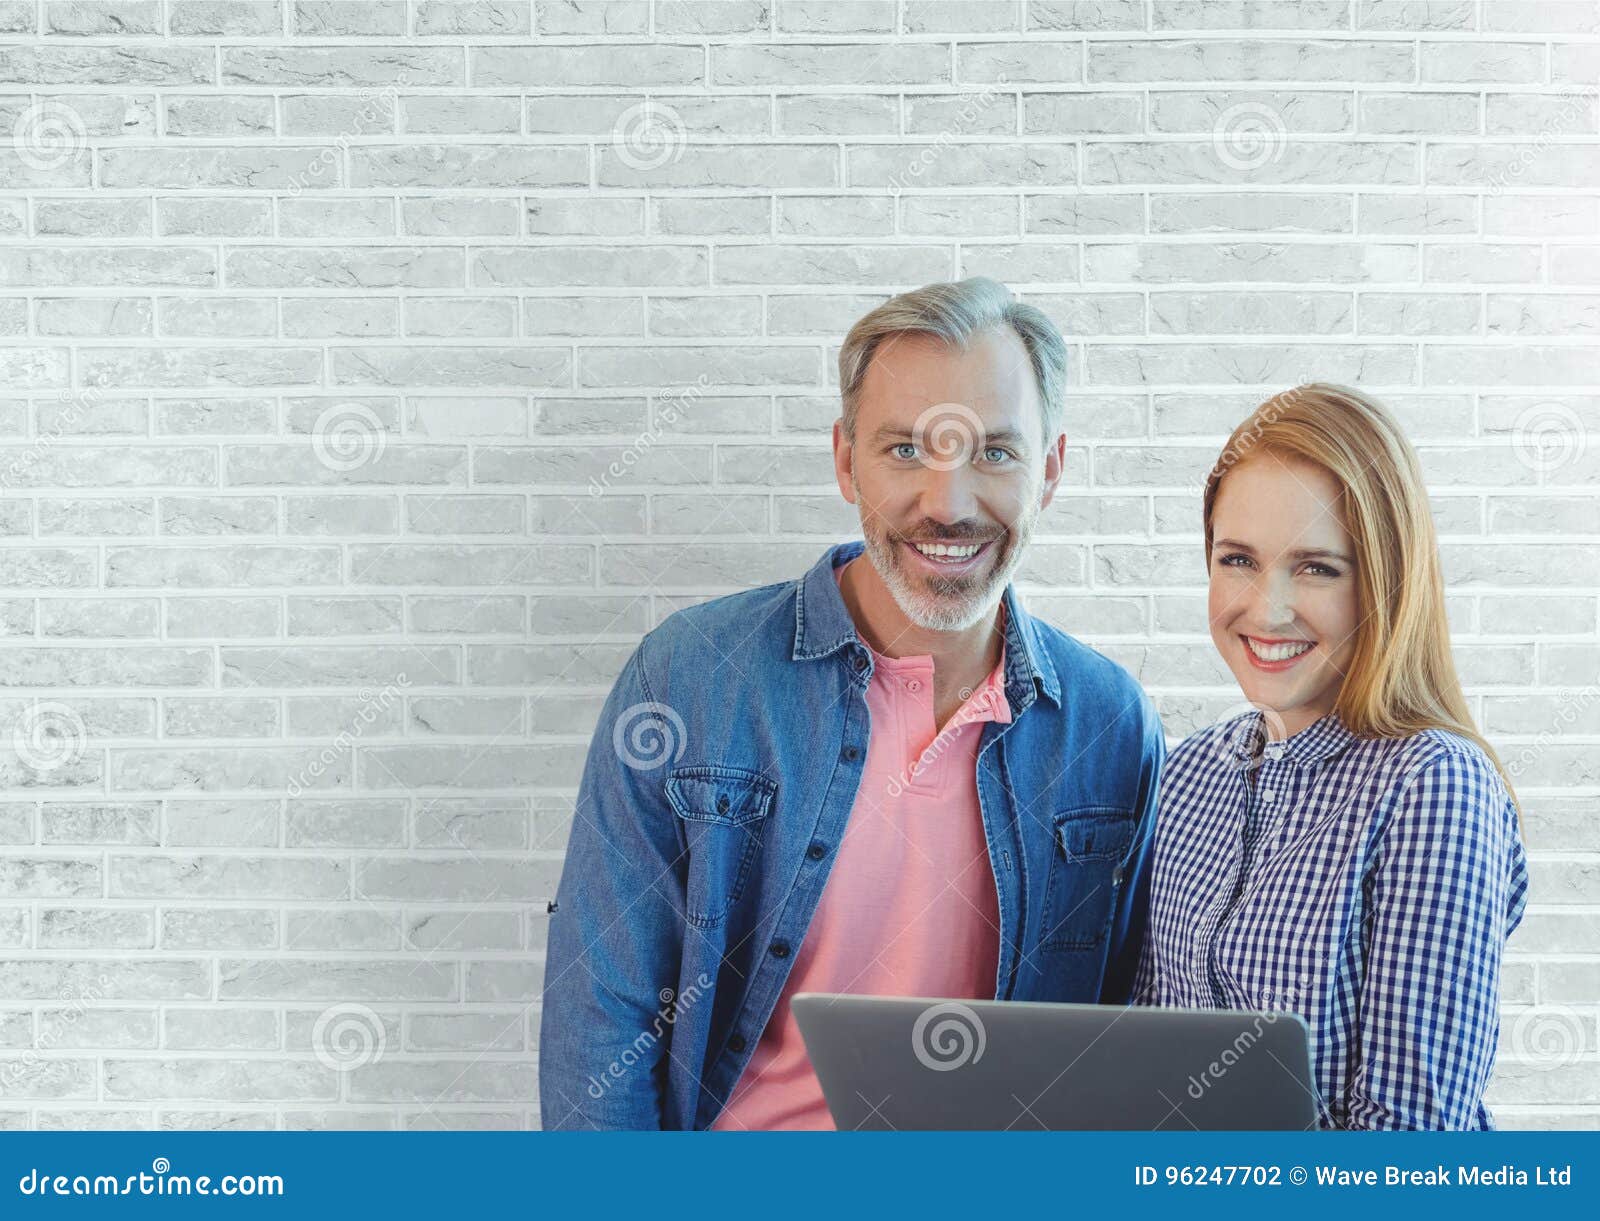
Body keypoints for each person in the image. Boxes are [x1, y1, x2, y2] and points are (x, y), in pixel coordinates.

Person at [539, 276, 1165, 1130]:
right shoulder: (689, 680)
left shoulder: (1109, 725)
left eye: (995, 452)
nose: (947, 504)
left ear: (1050, 471)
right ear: (844, 460)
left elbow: (1129, 1047)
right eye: (905, 449)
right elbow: (599, 1041)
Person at [1133, 382, 1530, 1130]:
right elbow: (1149, 1075)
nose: (1267, 607)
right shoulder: (1188, 775)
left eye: (1316, 566)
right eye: (1237, 559)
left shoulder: (1434, 786)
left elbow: (1410, 1150)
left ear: (1382, 582)